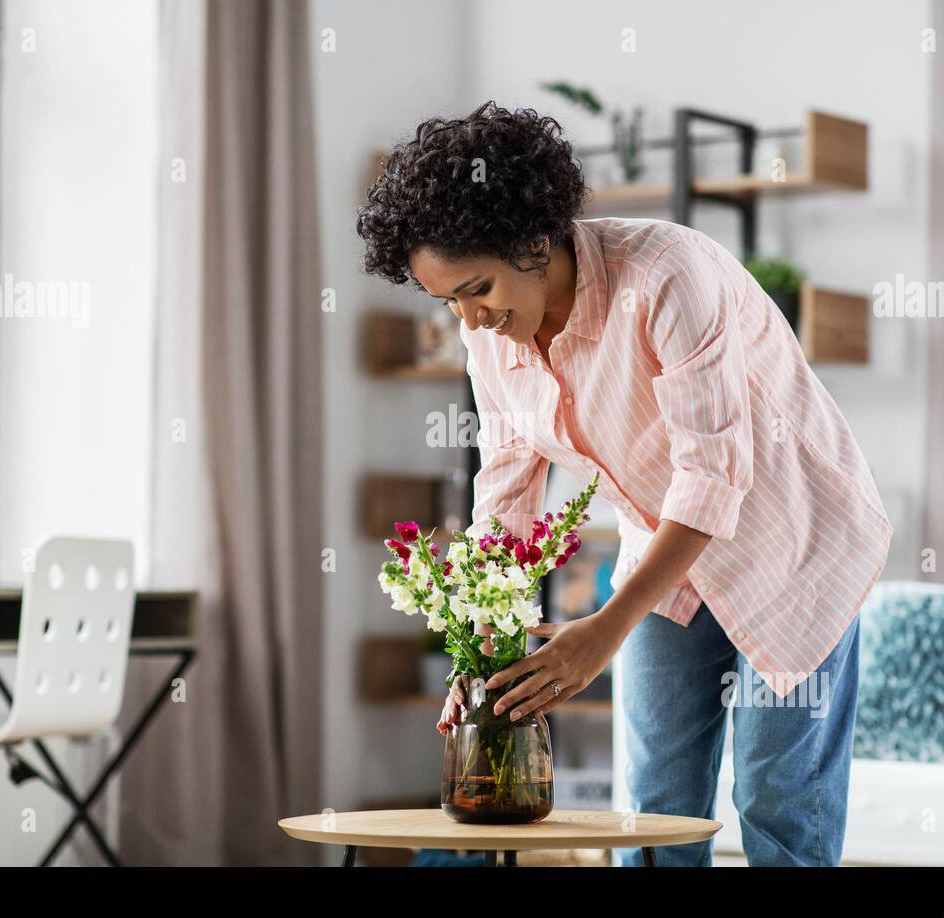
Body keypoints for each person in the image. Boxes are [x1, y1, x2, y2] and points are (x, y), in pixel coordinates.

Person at [356, 101, 892, 866]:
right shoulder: (491, 344)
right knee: (651, 811)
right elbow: (504, 506)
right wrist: (480, 659)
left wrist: (599, 634)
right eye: (450, 302)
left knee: (777, 808)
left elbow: (712, 476)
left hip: (793, 543)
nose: (471, 321)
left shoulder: (670, 274)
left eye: (478, 289)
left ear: (531, 239)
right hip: (666, 553)